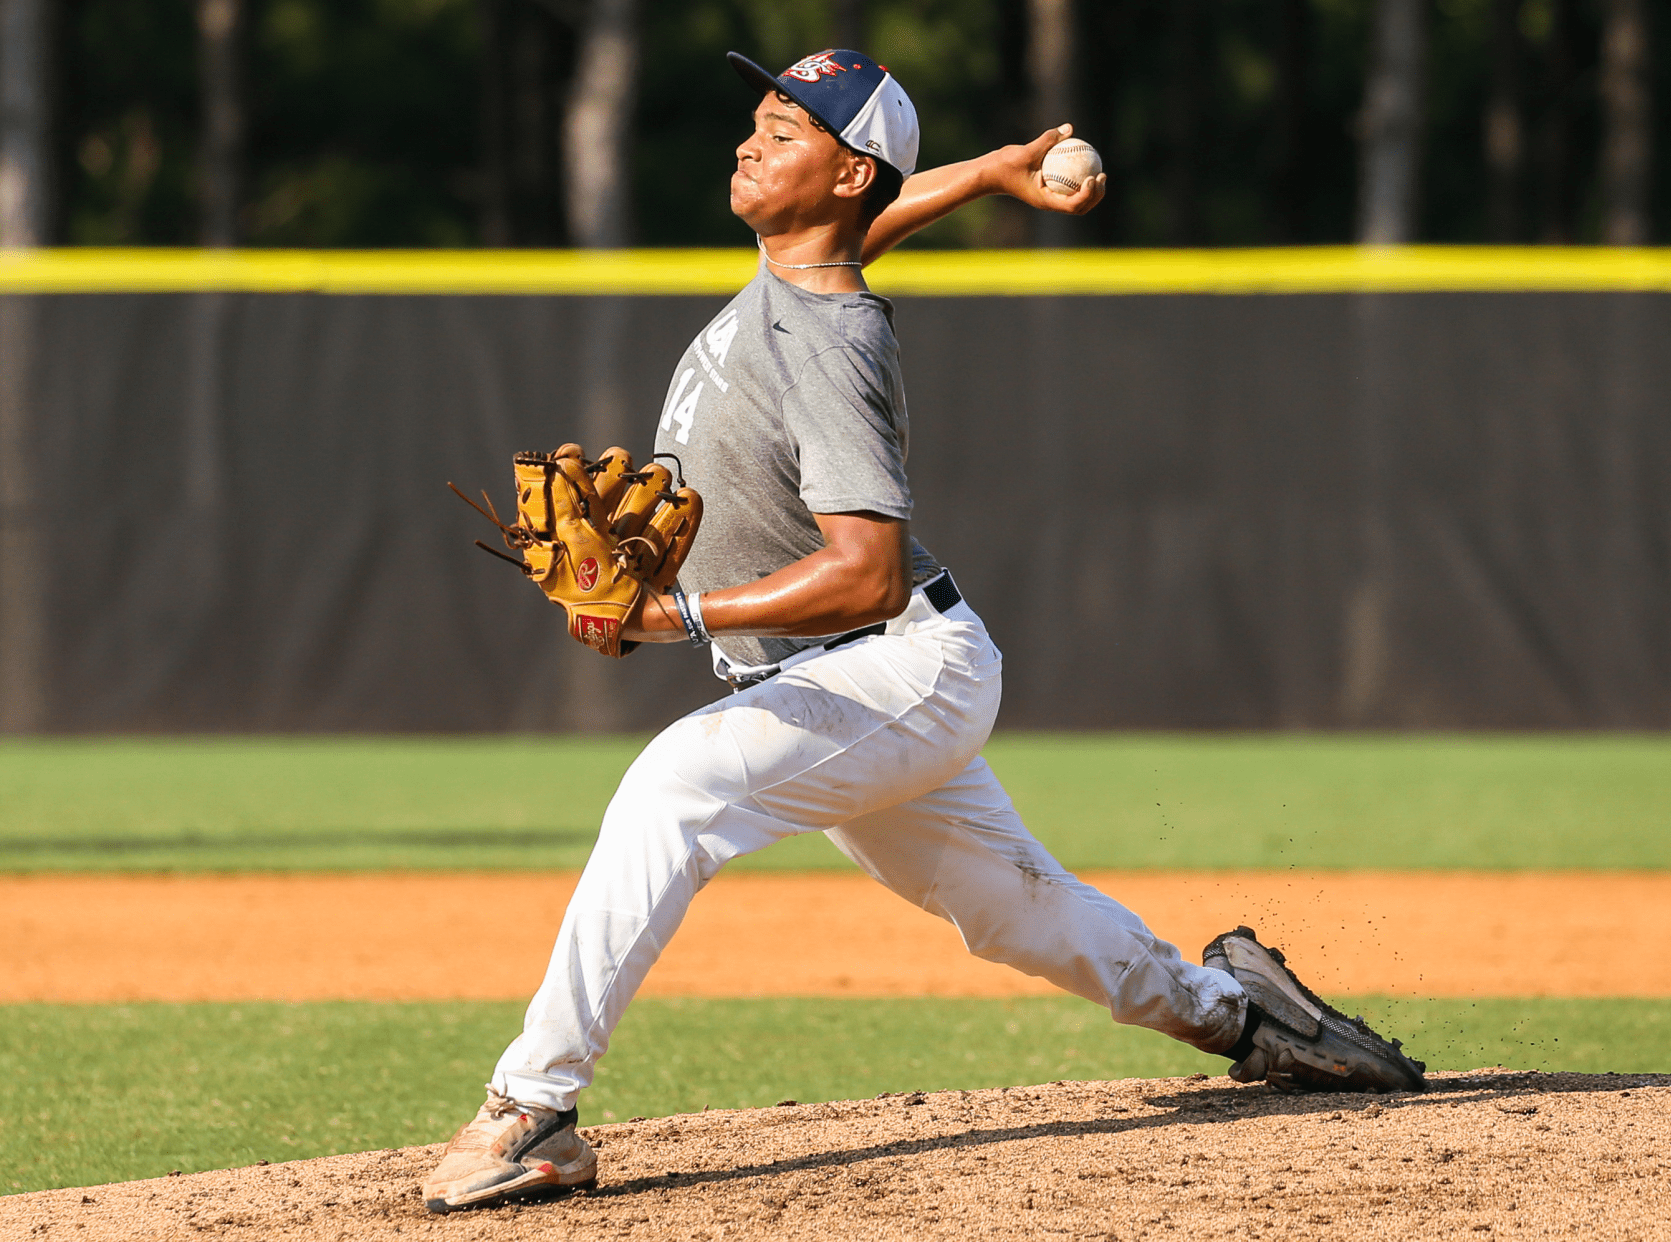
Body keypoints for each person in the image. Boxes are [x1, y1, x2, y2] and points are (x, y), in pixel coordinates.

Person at [423, 48, 1422, 1214]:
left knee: (671, 788)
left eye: (783, 134)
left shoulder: (831, 340)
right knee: (1017, 912)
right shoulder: (796, 277)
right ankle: (1244, 1014)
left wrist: (675, 614)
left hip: (898, 664)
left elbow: (867, 572)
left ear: (847, 175)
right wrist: (991, 172)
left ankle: (532, 1109)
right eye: (757, 122)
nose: (749, 144)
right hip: (830, 686)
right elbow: (866, 227)